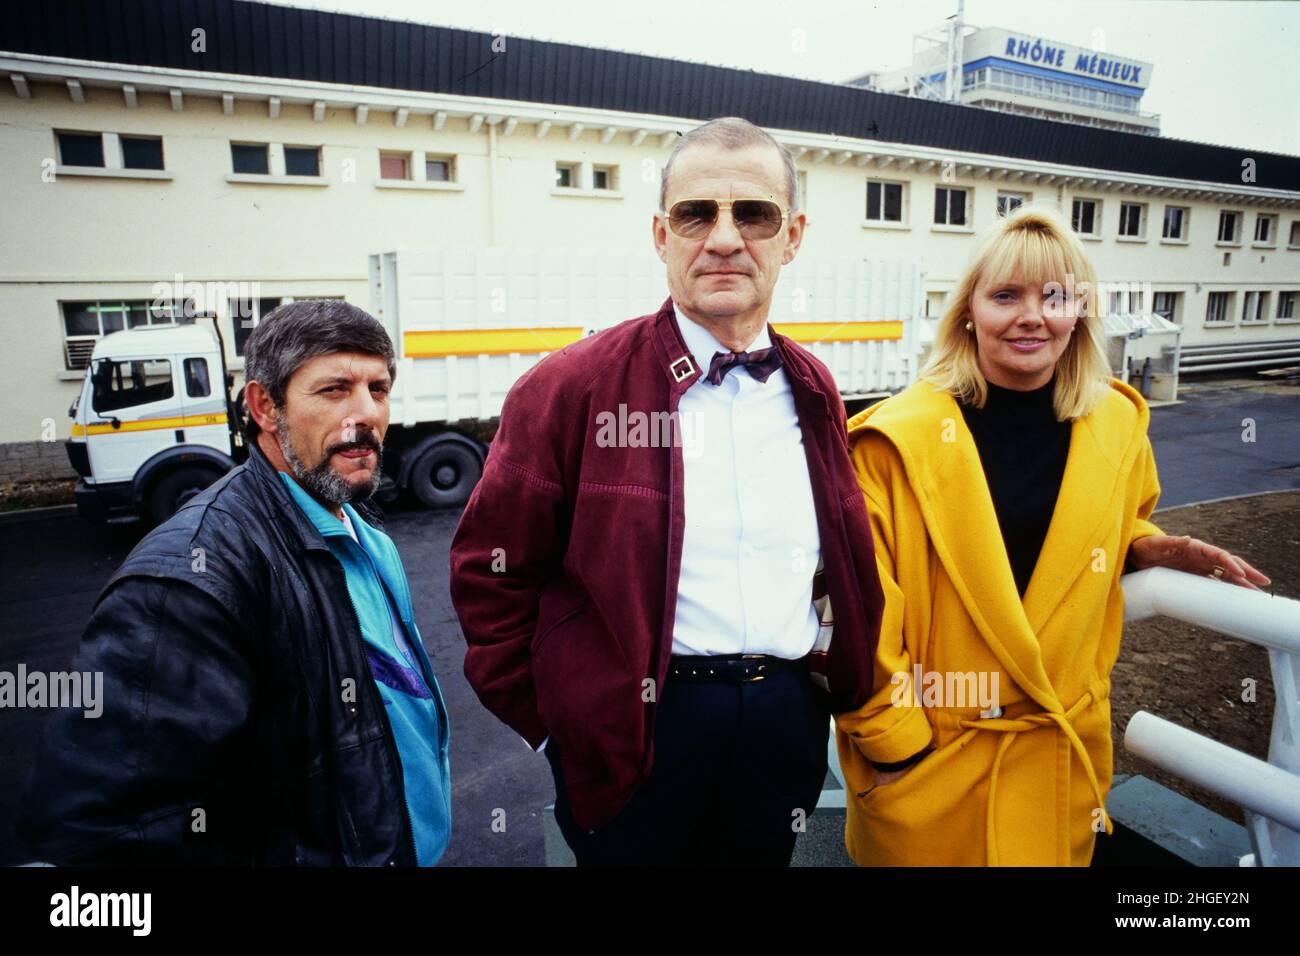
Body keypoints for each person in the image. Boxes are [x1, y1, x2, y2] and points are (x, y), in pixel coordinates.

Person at [449, 116, 885, 866]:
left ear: (793, 236)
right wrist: (558, 726)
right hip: (638, 733)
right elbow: (490, 574)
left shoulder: (813, 386)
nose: (723, 238)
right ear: (660, 235)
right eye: (696, 214)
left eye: (753, 213)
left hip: (783, 725)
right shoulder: (570, 387)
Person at [835, 204, 1270, 867]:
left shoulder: (1119, 425)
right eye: (1006, 294)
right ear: (968, 312)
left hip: (1060, 766)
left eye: (1055, 296)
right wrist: (896, 746)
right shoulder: (891, 442)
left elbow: (1105, 524)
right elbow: (861, 613)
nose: (1032, 315)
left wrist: (1141, 545)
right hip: (934, 771)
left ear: (1081, 312)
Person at [18, 300, 451, 866]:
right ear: (265, 406)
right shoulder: (189, 581)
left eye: (379, 388)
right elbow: (102, 835)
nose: (364, 414)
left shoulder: (363, 528)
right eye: (334, 390)